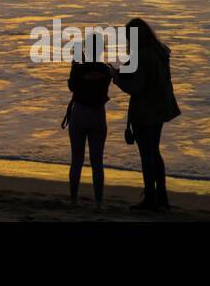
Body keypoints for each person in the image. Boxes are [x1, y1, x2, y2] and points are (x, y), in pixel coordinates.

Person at [112, 18, 181, 211]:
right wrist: (120, 72)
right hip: (159, 109)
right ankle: (162, 196)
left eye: (128, 38)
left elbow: (136, 86)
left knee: (147, 155)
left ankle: (151, 197)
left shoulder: (142, 55)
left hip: (145, 111)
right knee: (154, 152)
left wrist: (116, 79)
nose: (127, 42)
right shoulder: (158, 52)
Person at [62, 33, 113, 208]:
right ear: (101, 50)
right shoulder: (105, 70)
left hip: (80, 113)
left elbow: (72, 86)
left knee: (76, 159)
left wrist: (75, 64)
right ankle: (98, 201)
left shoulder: (78, 68)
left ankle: (73, 198)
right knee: (97, 161)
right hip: (98, 114)